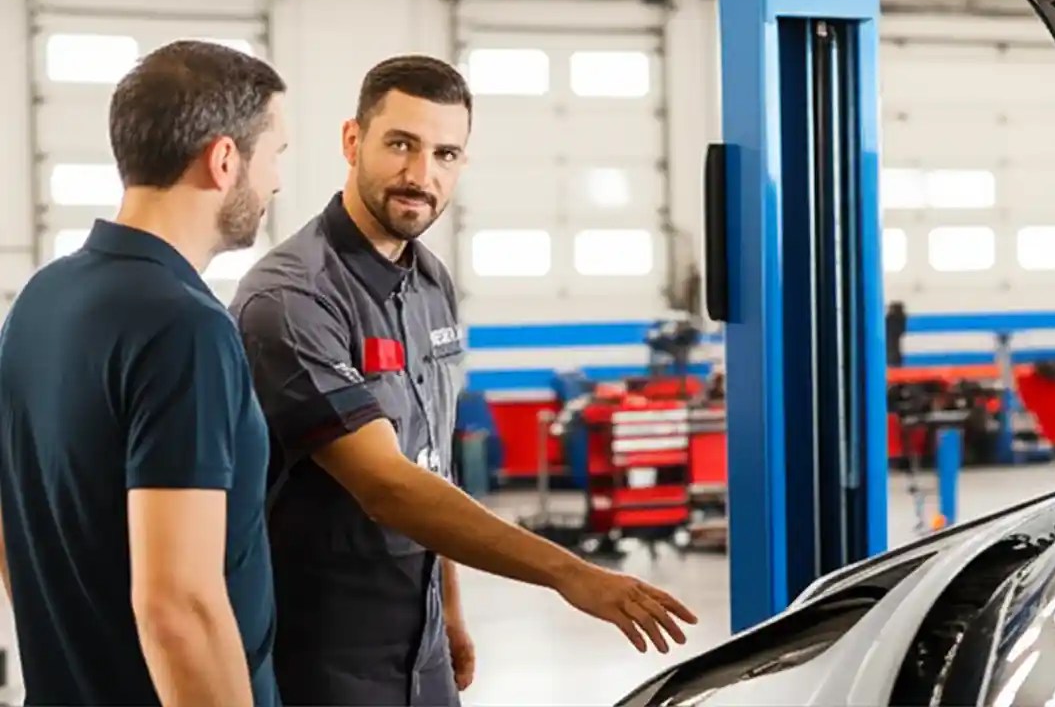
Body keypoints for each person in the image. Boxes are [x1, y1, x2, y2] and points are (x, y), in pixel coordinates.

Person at [229, 54, 697, 707]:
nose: (422, 175)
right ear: (352, 141)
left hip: (421, 653)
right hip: (323, 659)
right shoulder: (291, 299)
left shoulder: (430, 283)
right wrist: (568, 574)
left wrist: (448, 609)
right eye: (401, 145)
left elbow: (432, 461)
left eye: (445, 154)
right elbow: (388, 486)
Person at [0, 40, 289, 706]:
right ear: (224, 160)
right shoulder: (184, 328)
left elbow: (16, 528)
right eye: (274, 155)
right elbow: (178, 606)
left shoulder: (41, 300)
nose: (273, 181)